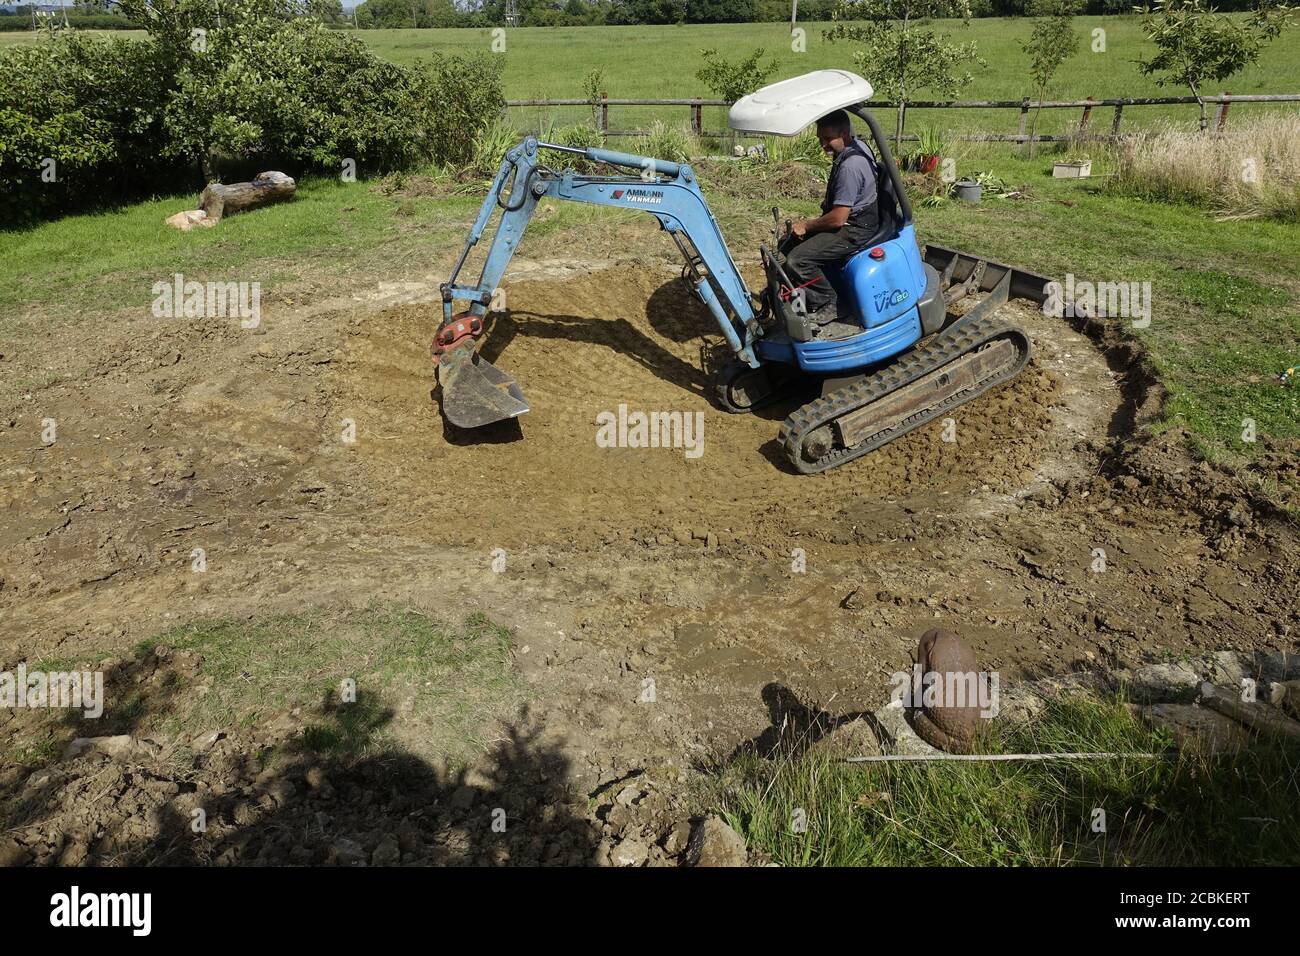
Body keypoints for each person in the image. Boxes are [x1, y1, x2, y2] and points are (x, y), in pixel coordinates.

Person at [784, 110, 881, 322]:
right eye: (820, 138)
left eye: (828, 139)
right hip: (856, 218)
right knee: (787, 243)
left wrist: (807, 226)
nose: (823, 145)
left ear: (844, 134)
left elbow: (838, 218)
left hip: (856, 228)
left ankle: (829, 302)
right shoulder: (857, 146)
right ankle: (800, 296)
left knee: (797, 260)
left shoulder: (850, 166)